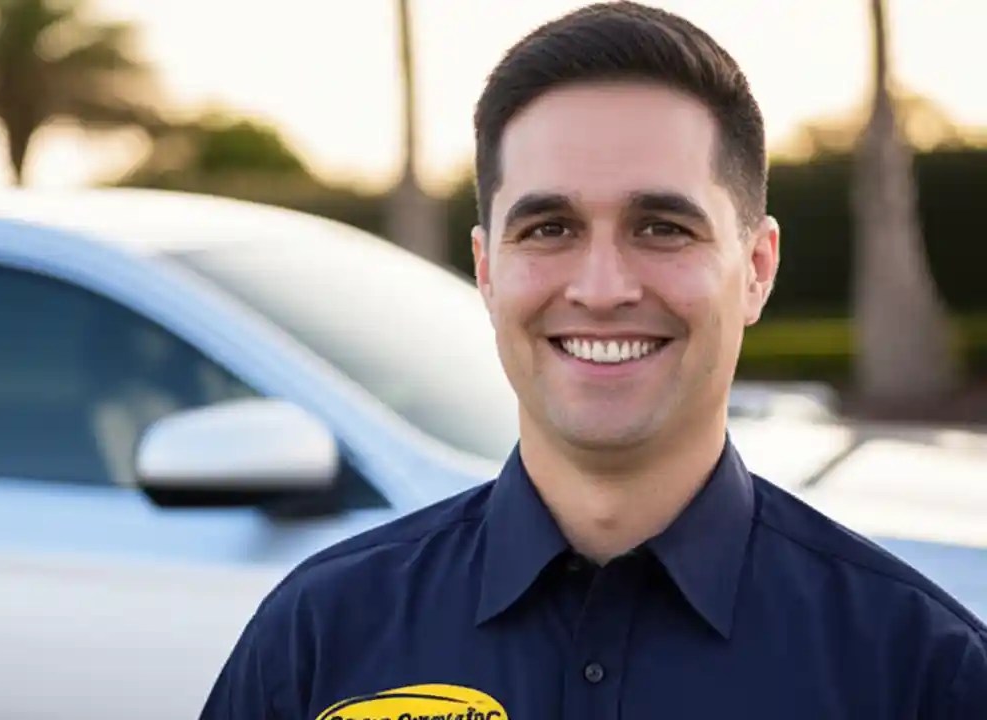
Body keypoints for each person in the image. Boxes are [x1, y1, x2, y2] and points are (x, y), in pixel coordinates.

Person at [200, 3, 987, 718]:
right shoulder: (318, 640)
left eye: (662, 228)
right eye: (549, 229)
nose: (602, 289)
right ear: (484, 269)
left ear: (756, 267)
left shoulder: (919, 671)